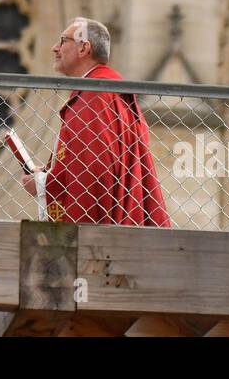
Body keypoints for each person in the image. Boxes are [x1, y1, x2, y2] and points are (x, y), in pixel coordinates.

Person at [22, 18, 171, 227]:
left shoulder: (96, 95)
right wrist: (47, 175)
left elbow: (95, 171)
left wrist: (43, 184)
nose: (55, 48)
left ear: (84, 48)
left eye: (63, 41)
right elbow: (86, 160)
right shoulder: (96, 90)